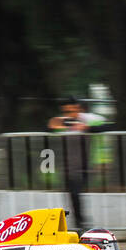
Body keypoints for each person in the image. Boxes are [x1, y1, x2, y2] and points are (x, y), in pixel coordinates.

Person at [46, 98, 106, 230]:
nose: (68, 114)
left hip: (87, 164)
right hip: (70, 166)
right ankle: (80, 224)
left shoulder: (89, 118)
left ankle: (82, 224)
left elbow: (109, 125)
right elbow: (49, 129)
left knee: (76, 193)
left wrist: (87, 127)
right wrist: (52, 125)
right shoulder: (62, 121)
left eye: (71, 110)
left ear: (78, 108)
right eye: (65, 111)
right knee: (73, 195)